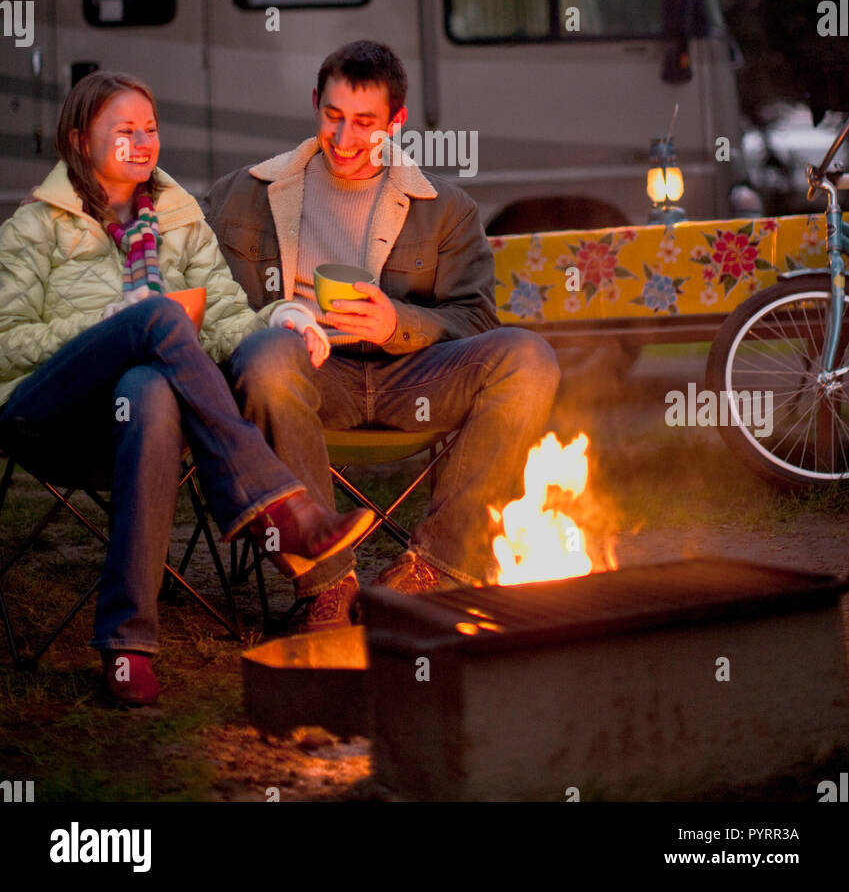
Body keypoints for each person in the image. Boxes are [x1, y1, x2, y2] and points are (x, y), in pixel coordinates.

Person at [0, 71, 373, 705]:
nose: (143, 143)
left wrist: (281, 316)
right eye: (124, 131)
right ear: (76, 140)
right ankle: (280, 506)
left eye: (150, 129)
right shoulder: (34, 228)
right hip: (47, 411)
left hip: (142, 420)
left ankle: (125, 646)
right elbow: (6, 342)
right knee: (157, 315)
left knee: (149, 385)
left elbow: (224, 313)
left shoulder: (179, 219)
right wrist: (113, 321)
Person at [205, 40, 561, 630]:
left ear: (396, 122)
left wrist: (401, 322)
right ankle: (328, 583)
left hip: (412, 376)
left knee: (528, 358)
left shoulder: (445, 208)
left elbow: (475, 318)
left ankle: (437, 567)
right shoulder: (241, 193)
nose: (343, 140)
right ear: (316, 103)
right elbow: (202, 290)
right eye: (332, 117)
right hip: (308, 377)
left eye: (364, 123)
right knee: (267, 357)